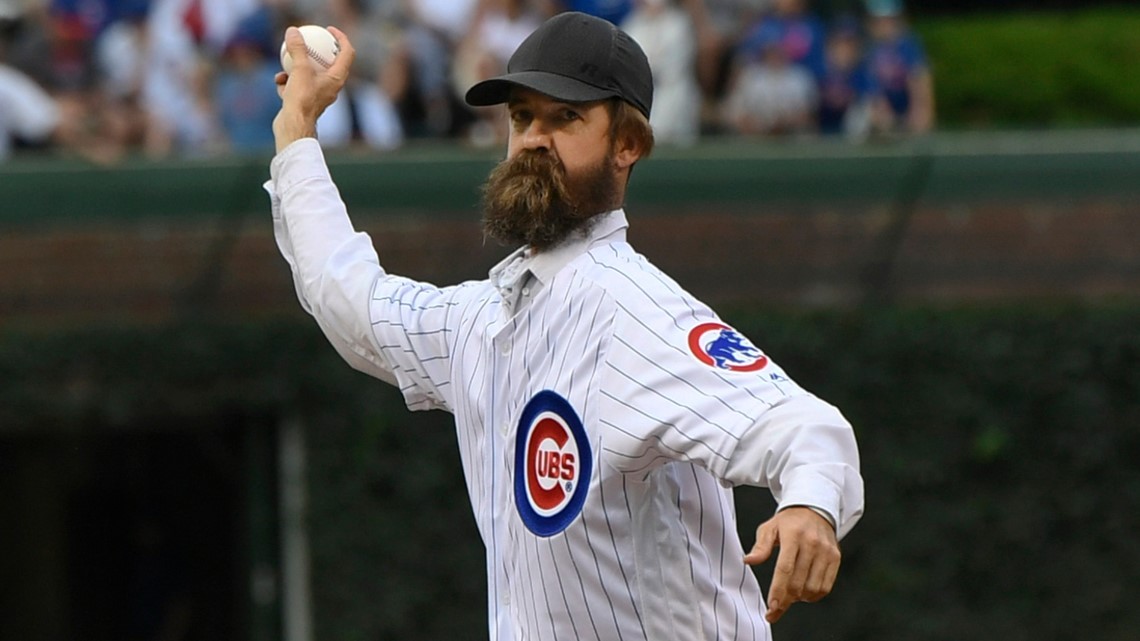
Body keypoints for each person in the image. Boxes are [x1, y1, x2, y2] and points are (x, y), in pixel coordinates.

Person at [267, 11, 863, 641]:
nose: (532, 138)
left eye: (566, 117)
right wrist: (296, 131)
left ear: (627, 145)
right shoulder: (483, 318)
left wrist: (809, 507)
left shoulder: (637, 312)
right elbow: (351, 299)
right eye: (522, 116)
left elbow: (803, 426)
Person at [863, 0, 933, 135]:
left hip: (907, 102)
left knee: (921, 117)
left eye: (889, 20)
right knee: (874, 113)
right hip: (881, 106)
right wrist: (883, 111)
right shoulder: (867, 47)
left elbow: (920, 77)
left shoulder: (909, 43)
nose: (884, 25)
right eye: (879, 20)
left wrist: (922, 109)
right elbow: (869, 86)